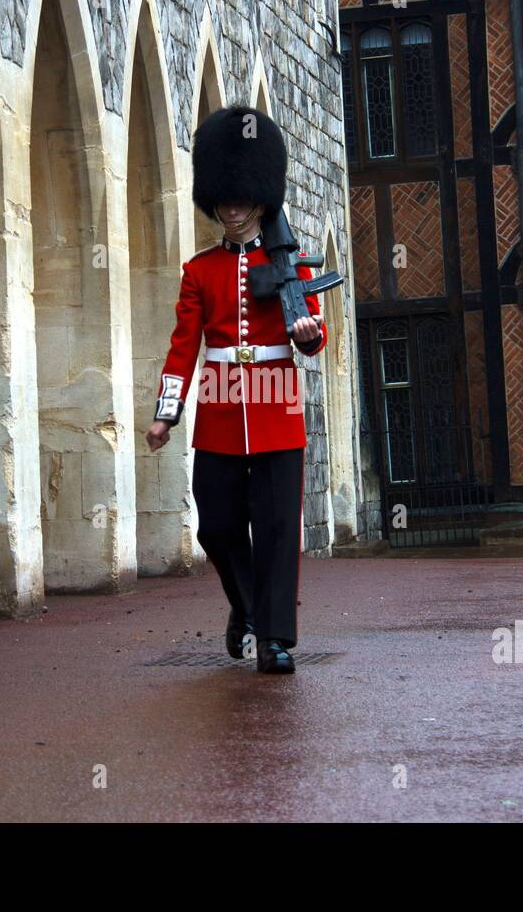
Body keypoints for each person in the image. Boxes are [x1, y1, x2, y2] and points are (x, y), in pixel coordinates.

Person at [144, 105, 326, 674]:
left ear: (259, 199)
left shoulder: (289, 263)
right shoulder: (200, 271)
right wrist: (166, 414)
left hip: (277, 406)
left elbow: (314, 334)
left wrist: (307, 332)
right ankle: (245, 608)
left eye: (242, 198)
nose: (233, 207)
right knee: (217, 526)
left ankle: (273, 639)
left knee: (276, 531)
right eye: (225, 199)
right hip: (220, 408)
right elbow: (183, 346)